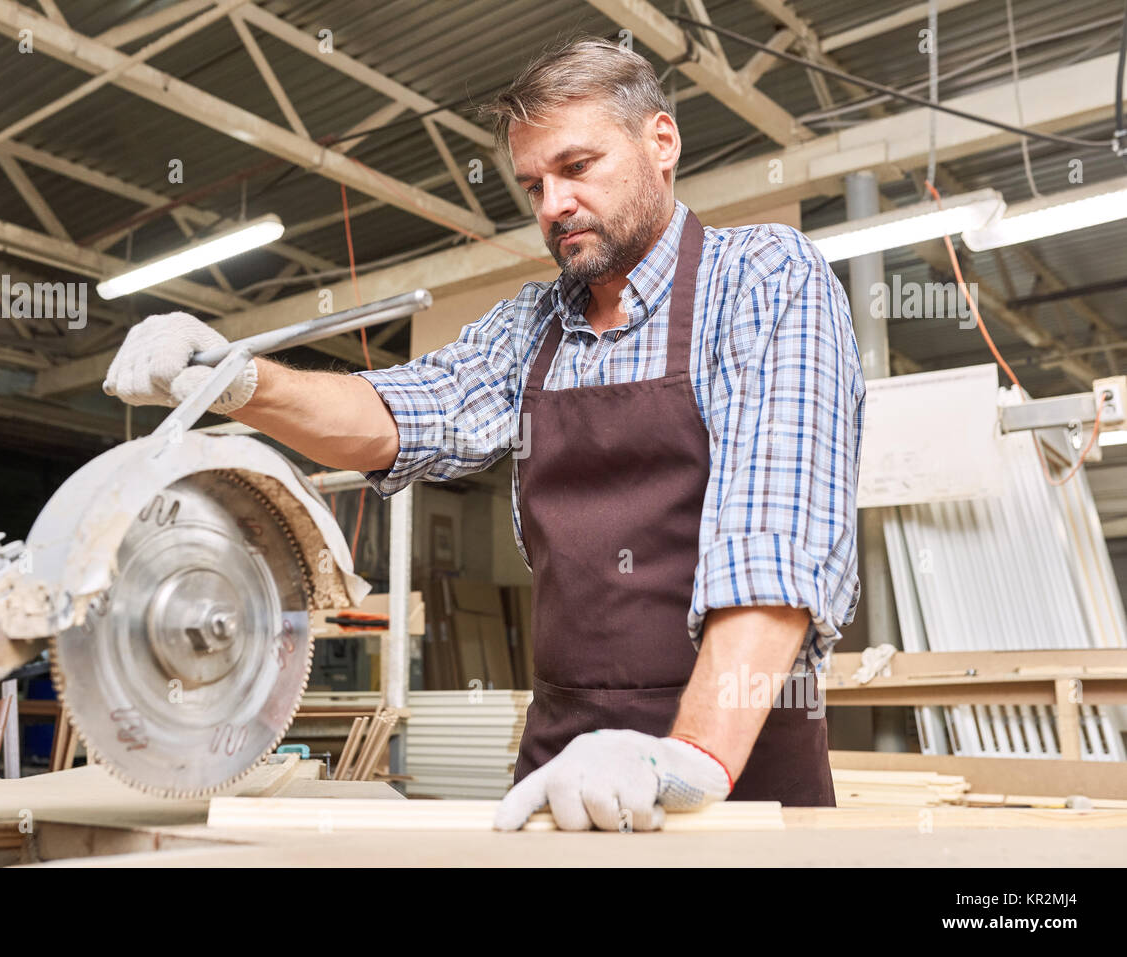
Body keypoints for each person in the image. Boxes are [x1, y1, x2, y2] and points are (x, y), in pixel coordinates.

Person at [104, 37, 865, 831]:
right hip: (560, 765)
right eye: (533, 184)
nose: (551, 205)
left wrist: (690, 758)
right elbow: (394, 415)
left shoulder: (765, 278)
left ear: (661, 143)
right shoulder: (531, 325)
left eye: (577, 167)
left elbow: (774, 544)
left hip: (731, 772)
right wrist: (244, 382)